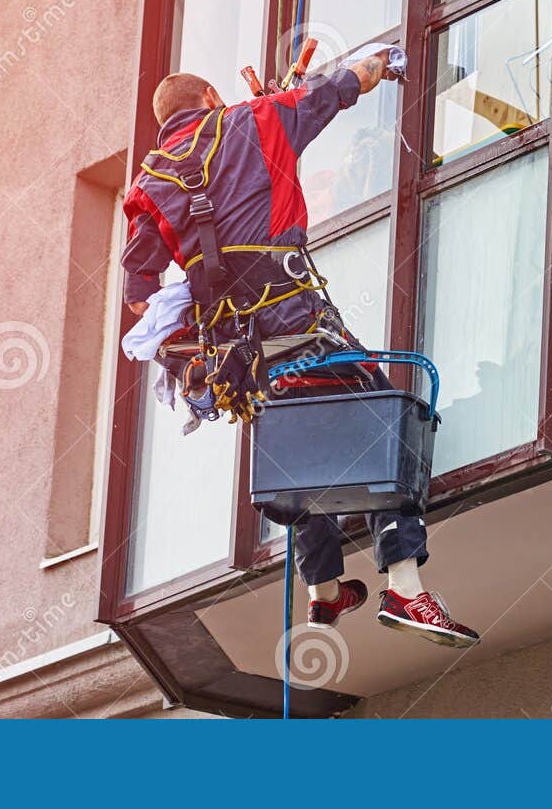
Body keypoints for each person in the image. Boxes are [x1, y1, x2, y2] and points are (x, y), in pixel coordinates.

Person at [120, 50, 480, 648]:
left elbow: (138, 299)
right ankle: (406, 588)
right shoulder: (256, 120)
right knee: (381, 423)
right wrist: (385, 63)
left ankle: (323, 593)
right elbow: (338, 87)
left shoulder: (149, 183)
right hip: (300, 322)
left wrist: (199, 343)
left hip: (241, 356)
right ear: (212, 96)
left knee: (300, 447)